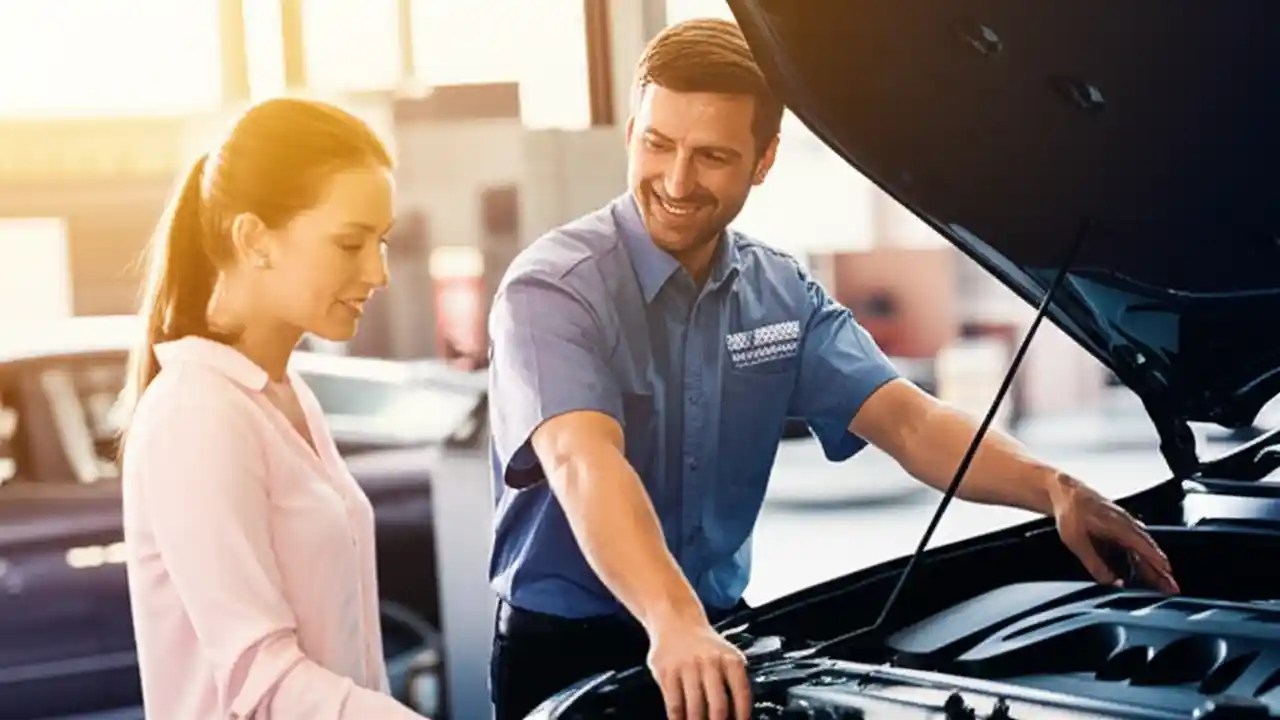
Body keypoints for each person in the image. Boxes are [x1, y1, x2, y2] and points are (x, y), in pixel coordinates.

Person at [485, 17, 1181, 720]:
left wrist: (1055, 489)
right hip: (569, 652)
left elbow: (910, 422)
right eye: (658, 144)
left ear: (764, 160)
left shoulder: (779, 293)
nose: (676, 179)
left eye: (713, 156)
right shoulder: (555, 288)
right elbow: (583, 462)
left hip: (718, 633)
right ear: (632, 132)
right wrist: (672, 621)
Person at [118, 97, 429, 719]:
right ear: (253, 238)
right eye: (350, 243)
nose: (379, 272)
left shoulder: (284, 395)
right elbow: (261, 682)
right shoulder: (197, 413)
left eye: (384, 242)